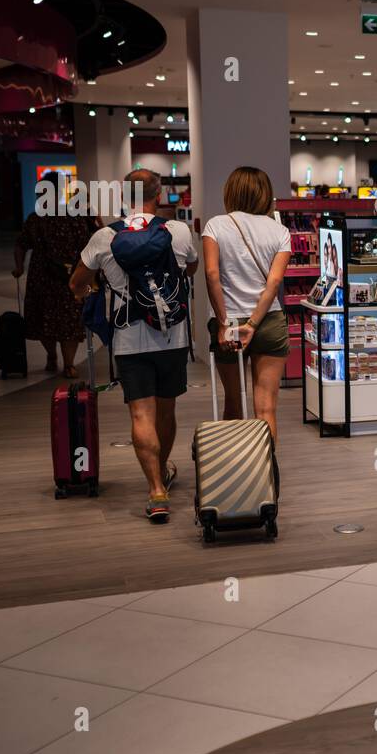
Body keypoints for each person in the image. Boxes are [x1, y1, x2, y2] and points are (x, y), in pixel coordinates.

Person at [70, 169, 198, 523]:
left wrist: (95, 290)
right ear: (159, 195)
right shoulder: (178, 231)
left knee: (141, 414)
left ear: (123, 198)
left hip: (128, 338)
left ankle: (156, 490)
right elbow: (191, 269)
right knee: (167, 410)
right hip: (172, 335)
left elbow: (76, 284)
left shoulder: (104, 237)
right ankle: (163, 471)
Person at [201, 166, 291, 440]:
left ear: (231, 191)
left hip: (229, 321)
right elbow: (273, 284)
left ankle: (234, 471)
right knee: (266, 409)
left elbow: (211, 274)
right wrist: (253, 324)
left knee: (233, 401)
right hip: (269, 322)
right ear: (266, 195)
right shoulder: (280, 231)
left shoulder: (215, 225)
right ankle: (266, 473)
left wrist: (224, 322)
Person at [13, 172, 94, 377]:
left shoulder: (38, 219)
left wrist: (19, 267)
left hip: (48, 277)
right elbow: (86, 248)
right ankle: (65, 363)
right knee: (66, 321)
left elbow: (20, 245)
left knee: (47, 320)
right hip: (65, 276)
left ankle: (61, 360)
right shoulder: (68, 217)